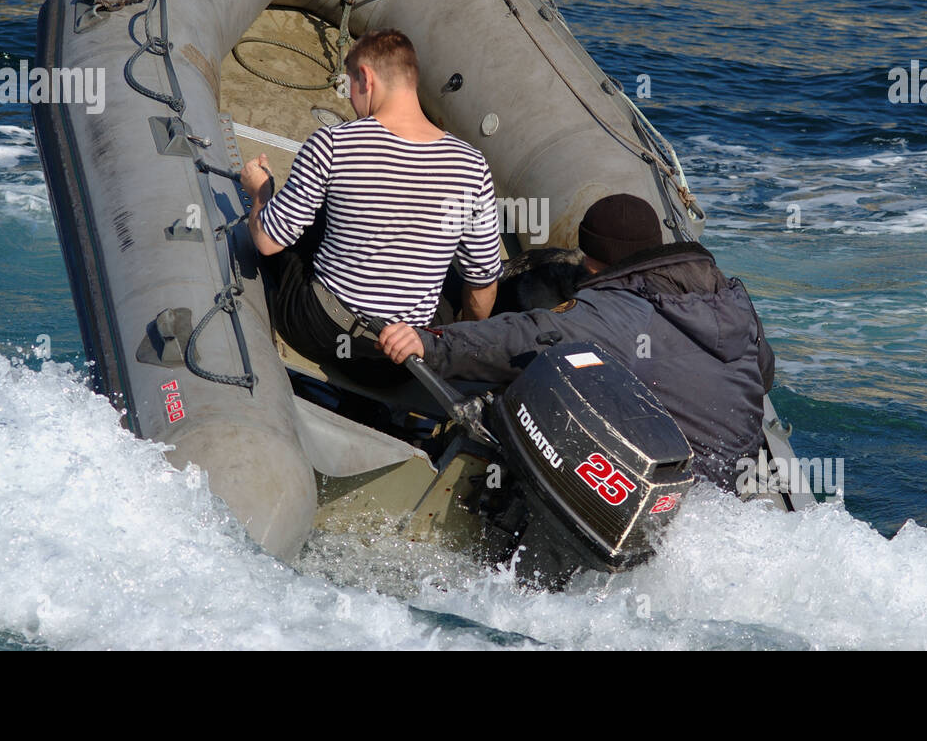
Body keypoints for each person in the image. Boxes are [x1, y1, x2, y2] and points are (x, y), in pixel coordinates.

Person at [377, 193, 775, 488]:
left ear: (590, 259)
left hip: (674, 484)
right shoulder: (729, 294)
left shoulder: (618, 311)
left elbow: (525, 337)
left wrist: (430, 344)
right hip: (737, 477)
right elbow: (764, 374)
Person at [242, 28, 502, 383]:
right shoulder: (472, 166)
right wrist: (449, 346)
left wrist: (261, 191)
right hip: (402, 363)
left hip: (325, 333)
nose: (349, 98)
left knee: (290, 235)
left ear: (365, 77)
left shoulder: (333, 143)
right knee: (456, 277)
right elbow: (483, 283)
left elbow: (267, 241)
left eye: (348, 84)